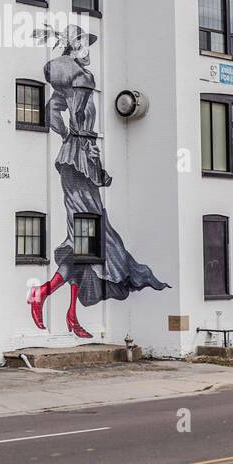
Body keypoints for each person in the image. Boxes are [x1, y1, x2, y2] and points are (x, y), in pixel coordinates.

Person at [26, 25, 168, 338]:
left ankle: (69, 312)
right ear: (71, 49)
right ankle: (46, 294)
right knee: (89, 236)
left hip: (72, 163)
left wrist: (68, 139)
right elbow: (77, 118)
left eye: (87, 42)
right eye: (80, 43)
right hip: (79, 164)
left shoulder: (67, 82)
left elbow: (52, 114)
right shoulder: (83, 79)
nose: (87, 48)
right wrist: (82, 144)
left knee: (86, 241)